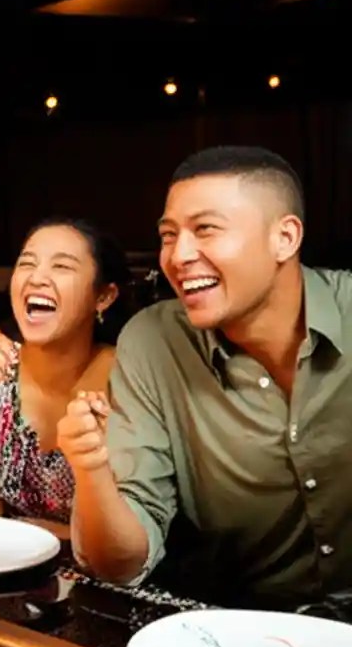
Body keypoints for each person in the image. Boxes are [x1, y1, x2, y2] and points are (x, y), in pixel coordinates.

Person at [59, 146, 352, 609]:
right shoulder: (155, 343)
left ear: (285, 238)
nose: (178, 256)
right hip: (238, 634)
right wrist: (92, 471)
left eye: (206, 229)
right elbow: (119, 565)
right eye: (169, 235)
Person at [0, 218, 130, 534]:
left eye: (62, 267)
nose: (37, 277)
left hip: (105, 575)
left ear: (103, 297)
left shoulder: (127, 378)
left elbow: (127, 526)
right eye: (27, 263)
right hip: (13, 564)